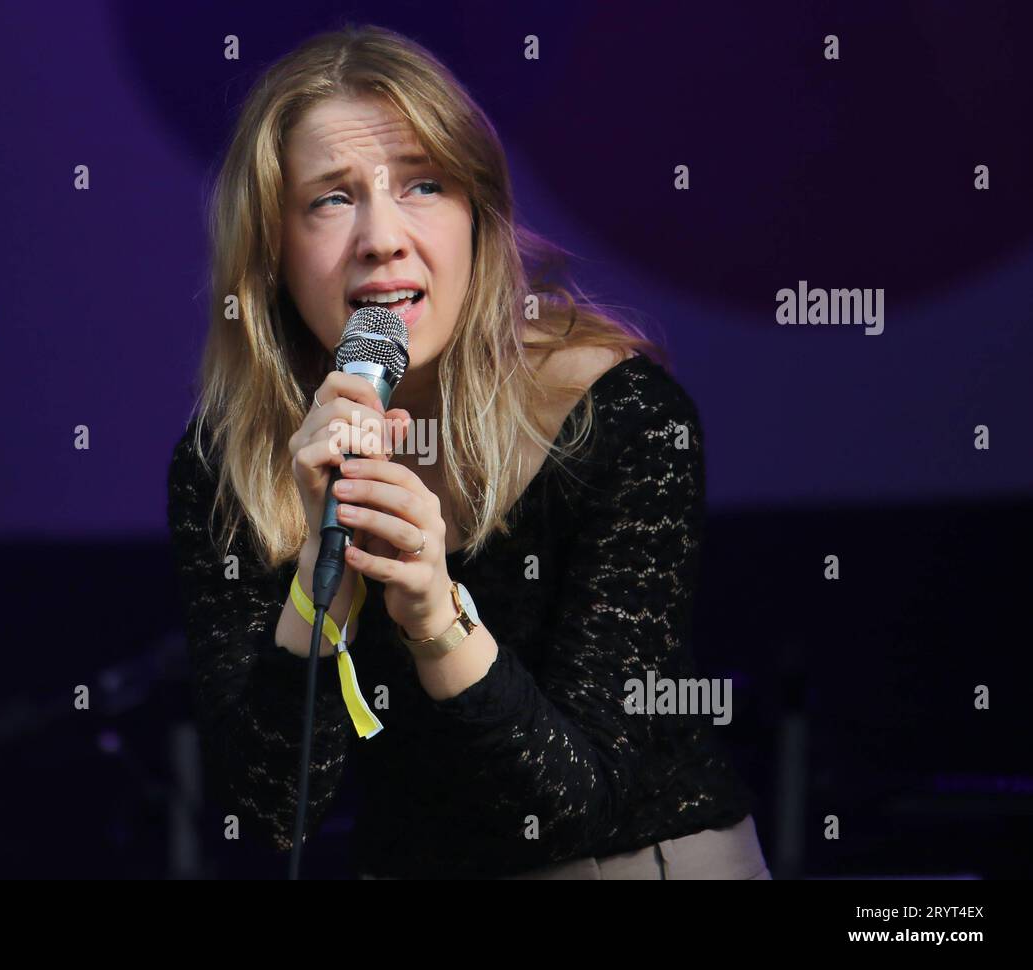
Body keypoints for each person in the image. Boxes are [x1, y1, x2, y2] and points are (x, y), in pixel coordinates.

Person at [168, 24, 770, 880]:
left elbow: (575, 804)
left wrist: (433, 617)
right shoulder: (225, 461)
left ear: (478, 221)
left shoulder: (619, 417)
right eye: (331, 199)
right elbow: (271, 809)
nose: (381, 236)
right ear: (271, 252)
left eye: (423, 184)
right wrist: (320, 581)